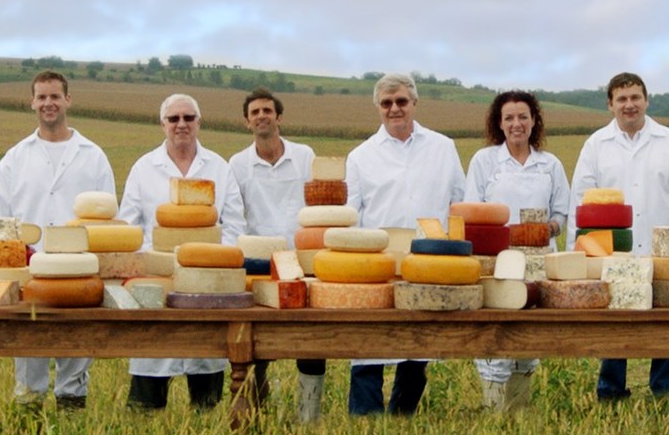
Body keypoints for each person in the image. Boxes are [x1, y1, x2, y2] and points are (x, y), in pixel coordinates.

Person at [0, 69, 116, 411]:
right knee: (29, 354)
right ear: (32, 102)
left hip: (80, 272)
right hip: (29, 271)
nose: (48, 103)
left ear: (67, 100)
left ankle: (72, 420)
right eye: (41, 97)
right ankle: (28, 425)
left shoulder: (93, 155)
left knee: (75, 353)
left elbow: (107, 222)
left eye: (55, 96)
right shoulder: (15, 158)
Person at [344, 74, 469, 416]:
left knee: (419, 342)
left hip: (429, 262)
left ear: (414, 103)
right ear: (378, 108)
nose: (394, 109)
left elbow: (458, 202)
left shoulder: (443, 147)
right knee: (369, 342)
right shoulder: (360, 156)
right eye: (386, 103)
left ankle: (403, 413)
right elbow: (352, 215)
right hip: (379, 264)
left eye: (401, 101)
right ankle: (365, 417)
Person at [114, 93, 248, 411]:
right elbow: (130, 228)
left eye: (188, 118)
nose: (181, 124)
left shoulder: (218, 166)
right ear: (162, 124)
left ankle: (205, 422)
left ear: (199, 122)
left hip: (207, 282)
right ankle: (146, 422)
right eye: (174, 119)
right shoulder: (144, 167)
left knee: (206, 363)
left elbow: (234, 225)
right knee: (153, 359)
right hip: (157, 279)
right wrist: (158, 262)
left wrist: (210, 261)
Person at [571, 72, 669, 401]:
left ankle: (664, 390)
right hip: (611, 253)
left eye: (635, 98)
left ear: (646, 100)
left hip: (662, 250)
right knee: (615, 322)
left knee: (667, 323)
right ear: (610, 105)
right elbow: (581, 204)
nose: (630, 105)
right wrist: (581, 254)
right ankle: (611, 391)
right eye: (622, 99)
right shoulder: (596, 146)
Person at [464, 89, 571, 411]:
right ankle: (494, 413)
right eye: (509, 118)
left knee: (527, 338)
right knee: (496, 335)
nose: (516, 124)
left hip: (538, 261)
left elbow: (561, 214)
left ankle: (519, 413)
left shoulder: (549, 165)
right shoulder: (485, 161)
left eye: (523, 116)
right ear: (499, 123)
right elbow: (472, 213)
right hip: (497, 262)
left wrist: (545, 229)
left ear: (534, 120)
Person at [226, 87, 314, 416]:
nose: (261, 116)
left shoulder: (304, 155)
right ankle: (258, 411)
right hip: (257, 262)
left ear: (279, 117)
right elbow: (234, 215)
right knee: (255, 341)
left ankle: (309, 414)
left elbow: (317, 205)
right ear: (247, 123)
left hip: (300, 261)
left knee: (308, 339)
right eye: (255, 113)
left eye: (267, 110)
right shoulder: (237, 163)